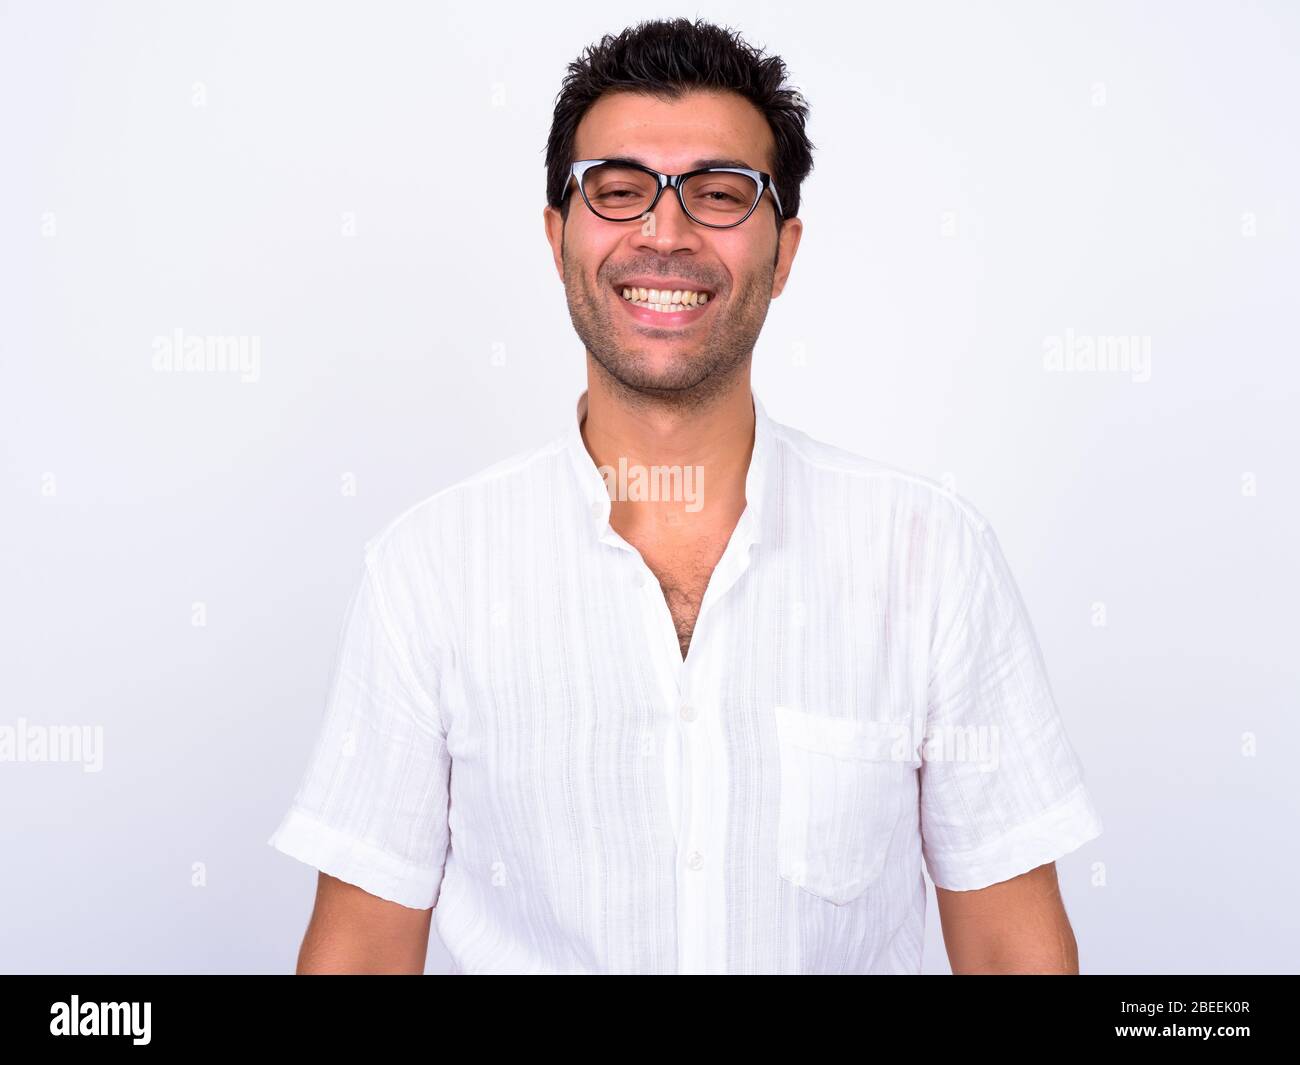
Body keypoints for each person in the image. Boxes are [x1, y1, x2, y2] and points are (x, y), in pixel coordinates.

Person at [267, 16, 1103, 974]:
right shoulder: (432, 571)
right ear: (559, 238)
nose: (664, 234)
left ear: (784, 252)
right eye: (618, 192)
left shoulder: (928, 556)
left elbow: (1010, 950)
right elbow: (363, 953)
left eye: (718, 195)